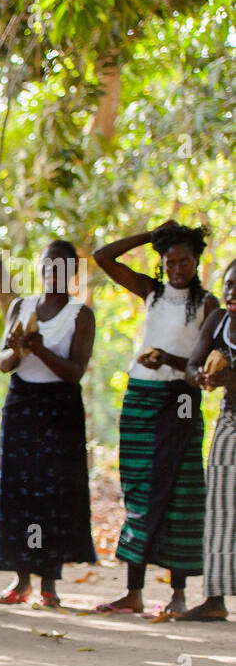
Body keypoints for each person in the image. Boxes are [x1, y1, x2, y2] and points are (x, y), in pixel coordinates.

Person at [92, 221, 216, 616]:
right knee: (140, 492)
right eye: (170, 259)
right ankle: (133, 592)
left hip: (180, 402)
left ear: (197, 261)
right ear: (162, 262)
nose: (178, 267)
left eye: (185, 260)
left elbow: (200, 370)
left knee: (180, 494)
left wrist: (170, 359)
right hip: (141, 400)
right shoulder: (152, 292)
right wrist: (151, 236)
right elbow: (101, 257)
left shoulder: (209, 305)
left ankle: (178, 595)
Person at [0, 241, 98, 608]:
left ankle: (50, 582)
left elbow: (75, 372)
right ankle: (21, 580)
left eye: (62, 268)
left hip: (60, 409)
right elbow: (3, 362)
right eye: (48, 266)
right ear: (39, 269)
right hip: (21, 404)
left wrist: (38, 348)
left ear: (73, 274)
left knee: (55, 494)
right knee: (19, 493)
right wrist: (17, 349)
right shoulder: (21, 307)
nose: (54, 273)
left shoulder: (80, 314)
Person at [178, 256, 236, 622]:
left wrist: (227, 377)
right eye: (229, 285)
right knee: (219, 510)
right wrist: (201, 377)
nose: (232, 293)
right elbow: (190, 367)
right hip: (230, 422)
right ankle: (215, 598)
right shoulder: (219, 321)